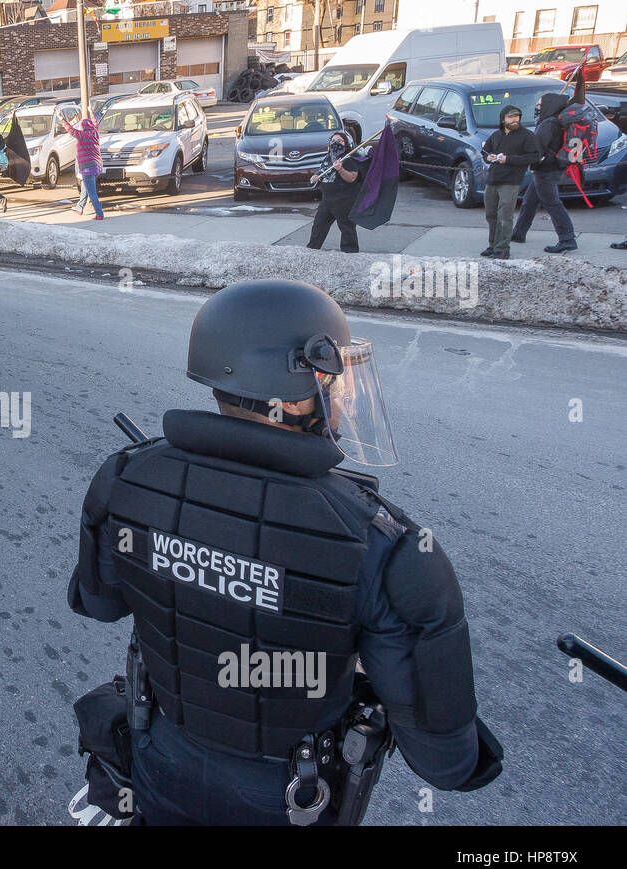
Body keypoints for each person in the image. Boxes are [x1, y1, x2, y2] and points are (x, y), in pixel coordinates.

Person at [69, 279, 504, 826]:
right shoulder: (383, 546)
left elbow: (98, 602)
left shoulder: (125, 478)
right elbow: (447, 761)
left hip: (160, 762)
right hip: (292, 799)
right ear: (299, 386)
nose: (340, 393)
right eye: (332, 378)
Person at [511, 93, 578, 254]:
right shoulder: (557, 121)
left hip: (546, 169)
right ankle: (519, 233)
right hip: (552, 167)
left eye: (540, 105)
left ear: (548, 105)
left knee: (552, 203)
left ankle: (567, 238)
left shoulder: (548, 124)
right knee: (530, 201)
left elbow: (537, 148)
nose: (537, 108)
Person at [479, 105, 539, 259]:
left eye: (517, 116)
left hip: (511, 181)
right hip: (493, 179)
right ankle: (492, 245)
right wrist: (489, 157)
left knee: (505, 215)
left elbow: (534, 156)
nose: (515, 120)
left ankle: (502, 249)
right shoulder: (496, 135)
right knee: (491, 214)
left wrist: (509, 159)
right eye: (511, 117)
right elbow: (485, 151)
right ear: (503, 119)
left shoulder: (526, 135)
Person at [307, 130, 366, 253]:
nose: (336, 143)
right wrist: (316, 176)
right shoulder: (328, 157)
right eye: (333, 140)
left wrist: (340, 169)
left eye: (339, 140)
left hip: (344, 201)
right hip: (327, 200)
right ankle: (311, 251)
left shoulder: (349, 159)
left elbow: (352, 178)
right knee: (318, 226)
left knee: (347, 229)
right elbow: (323, 171)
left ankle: (350, 254)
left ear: (345, 143)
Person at [65, 108, 102, 220]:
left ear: (83, 127)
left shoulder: (82, 135)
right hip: (97, 166)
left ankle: (99, 214)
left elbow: (70, 129)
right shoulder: (95, 132)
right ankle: (79, 208)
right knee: (86, 187)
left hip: (87, 168)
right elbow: (96, 123)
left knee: (92, 192)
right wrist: (91, 112)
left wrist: (62, 118)